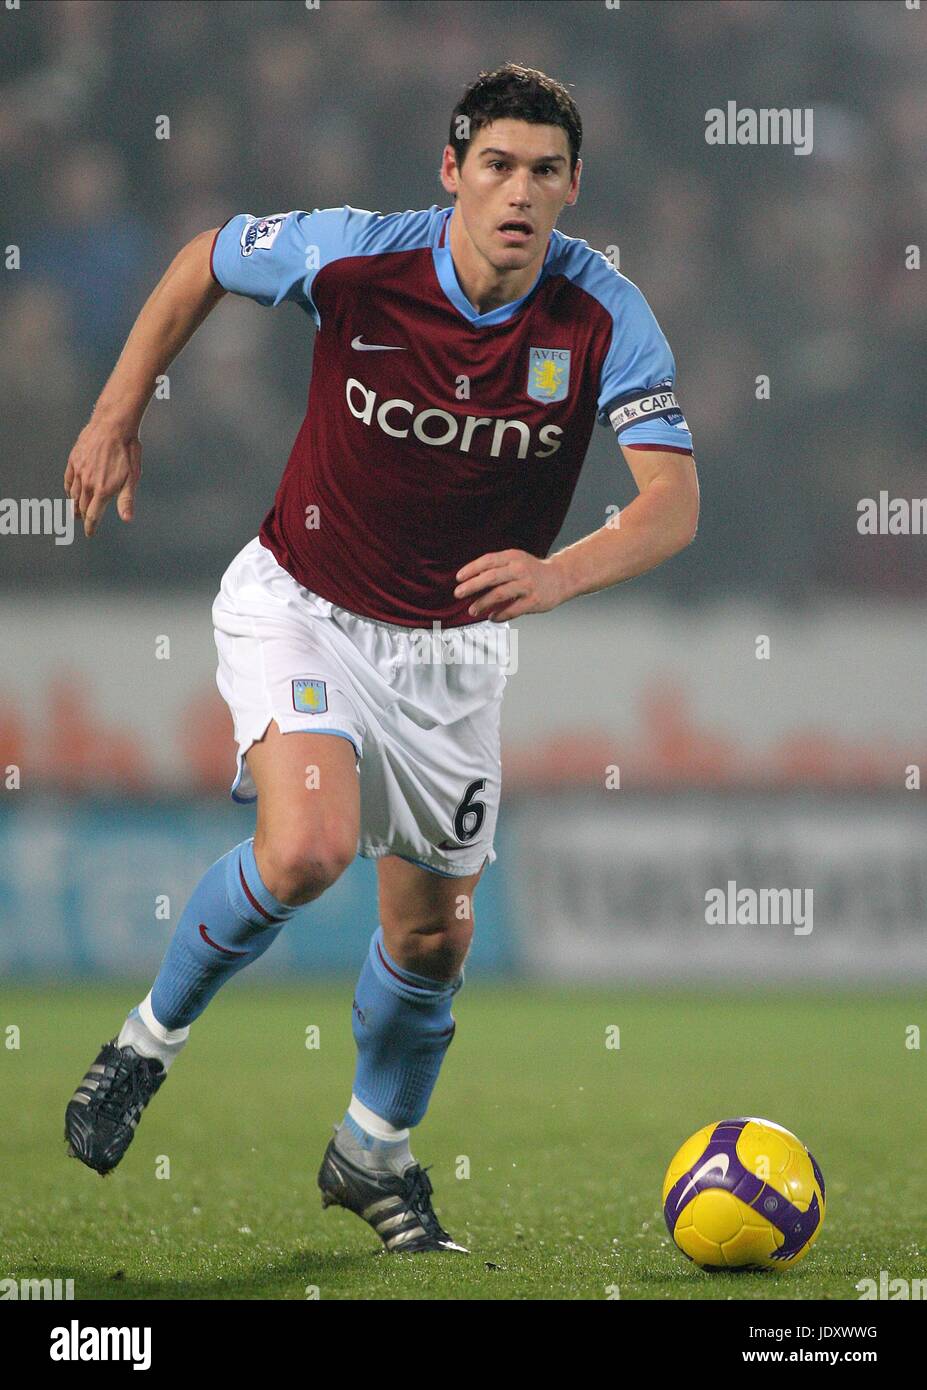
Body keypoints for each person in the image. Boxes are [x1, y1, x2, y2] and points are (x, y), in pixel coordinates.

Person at [64, 64, 699, 1255]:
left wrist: (560, 573)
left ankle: (372, 1150)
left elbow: (672, 504)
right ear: (452, 170)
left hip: (453, 657)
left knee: (431, 936)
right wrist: (117, 410)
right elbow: (203, 256)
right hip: (303, 600)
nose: (518, 192)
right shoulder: (355, 255)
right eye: (497, 165)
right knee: (306, 849)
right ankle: (143, 1045)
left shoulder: (605, 312)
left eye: (544, 172)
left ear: (573, 188)